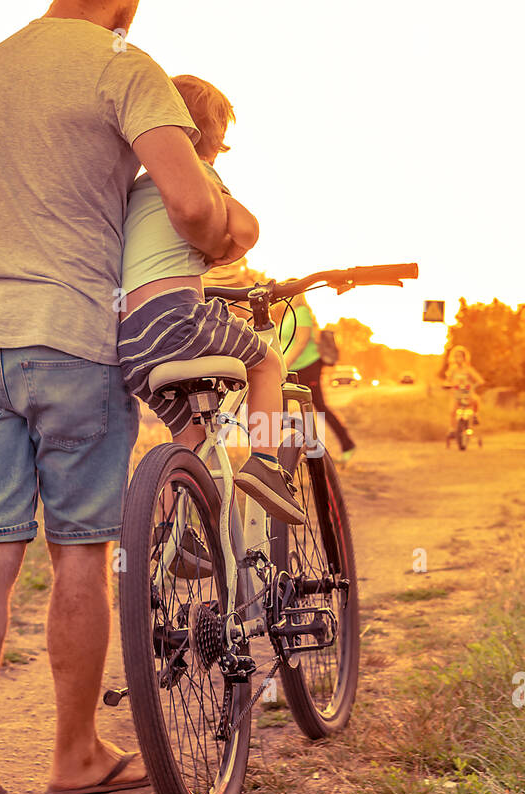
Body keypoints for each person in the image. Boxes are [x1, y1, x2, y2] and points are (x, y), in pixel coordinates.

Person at [0, 0, 241, 794]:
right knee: (80, 549)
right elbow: (189, 206)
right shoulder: (123, 65)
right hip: (70, 336)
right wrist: (227, 237)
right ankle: (74, 754)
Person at [118, 75, 305, 525]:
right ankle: (266, 463)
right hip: (177, 318)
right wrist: (222, 250)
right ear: (211, 141)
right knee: (267, 364)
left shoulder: (134, 190)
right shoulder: (195, 173)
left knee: (191, 435)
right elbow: (246, 228)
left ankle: (171, 536)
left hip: (130, 344)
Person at [279, 296, 358, 464]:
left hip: (308, 366)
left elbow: (301, 342)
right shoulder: (289, 313)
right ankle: (298, 448)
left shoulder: (301, 312)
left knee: (318, 406)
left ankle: (346, 444)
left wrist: (283, 365)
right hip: (294, 367)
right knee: (279, 403)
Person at [442, 345, 485, 432]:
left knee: (476, 400)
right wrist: (447, 385)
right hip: (456, 394)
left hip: (467, 393)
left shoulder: (468, 369)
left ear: (464, 358)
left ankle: (475, 416)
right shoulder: (453, 370)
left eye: (460, 356)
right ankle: (452, 429)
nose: (458, 359)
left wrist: (474, 386)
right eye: (456, 356)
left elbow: (480, 380)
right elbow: (447, 381)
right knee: (452, 410)